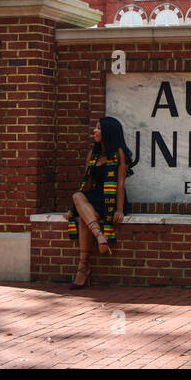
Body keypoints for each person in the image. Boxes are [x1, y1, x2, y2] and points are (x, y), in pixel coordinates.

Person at [64, 116, 133, 289]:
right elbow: (86, 184)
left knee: (83, 220)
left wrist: (119, 209)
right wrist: (73, 209)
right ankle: (100, 236)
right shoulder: (92, 154)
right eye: (95, 128)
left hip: (110, 199)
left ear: (108, 132)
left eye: (99, 128)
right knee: (77, 196)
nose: (94, 131)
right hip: (94, 196)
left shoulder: (119, 153)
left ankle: (83, 267)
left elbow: (120, 183)